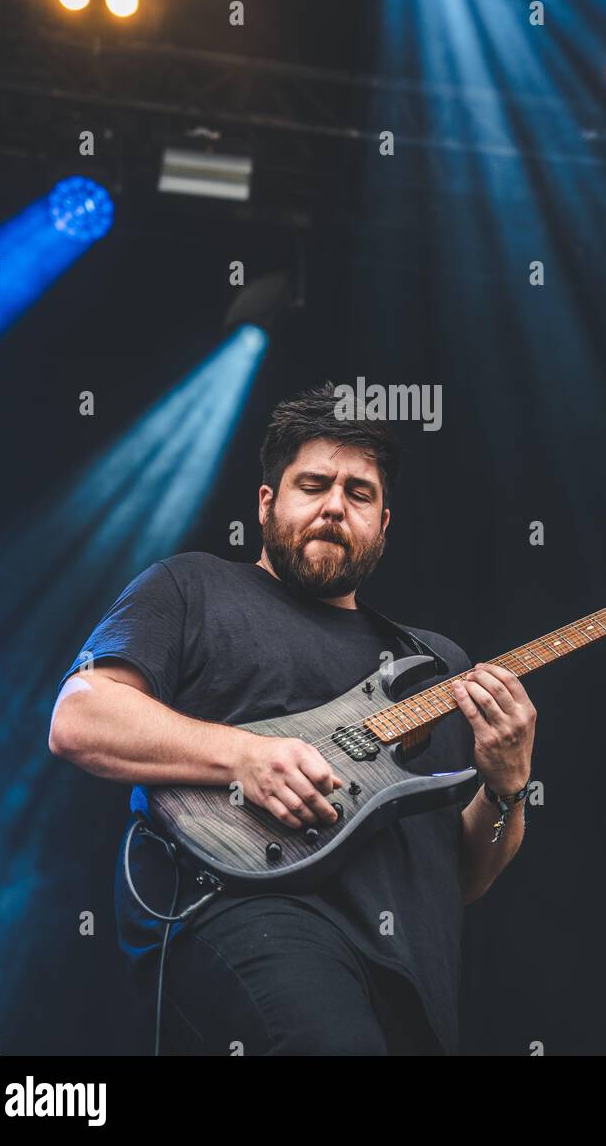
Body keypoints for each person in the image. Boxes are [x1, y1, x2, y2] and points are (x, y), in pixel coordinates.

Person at [48, 381, 537, 1055]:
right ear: (267, 502)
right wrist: (243, 757)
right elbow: (80, 718)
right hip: (246, 911)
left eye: (360, 493)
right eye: (314, 484)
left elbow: (465, 877)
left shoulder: (438, 667)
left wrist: (506, 786)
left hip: (413, 978)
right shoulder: (191, 587)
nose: (336, 506)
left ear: (384, 523)